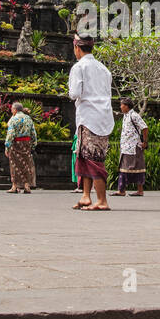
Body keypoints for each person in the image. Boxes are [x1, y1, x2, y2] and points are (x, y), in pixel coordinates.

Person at [68, 33, 114, 210]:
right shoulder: (104, 69)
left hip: (88, 117)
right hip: (103, 118)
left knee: (93, 158)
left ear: (77, 48)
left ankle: (102, 200)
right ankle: (86, 196)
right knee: (84, 155)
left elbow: (75, 93)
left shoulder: (79, 67)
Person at [114, 98, 148, 196]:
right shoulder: (126, 116)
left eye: (122, 105)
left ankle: (135, 190)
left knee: (137, 168)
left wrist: (145, 142)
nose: (120, 107)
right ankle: (122, 190)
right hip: (126, 147)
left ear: (127, 106)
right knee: (124, 168)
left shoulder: (134, 115)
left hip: (134, 147)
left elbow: (144, 127)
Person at [5, 102, 36, 194]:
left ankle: (14, 186)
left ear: (15, 110)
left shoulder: (14, 119)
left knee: (15, 165)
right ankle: (26, 185)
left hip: (16, 143)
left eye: (12, 109)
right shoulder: (28, 118)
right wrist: (33, 144)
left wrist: (7, 146)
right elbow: (33, 133)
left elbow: (10, 134)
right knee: (26, 164)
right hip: (26, 144)